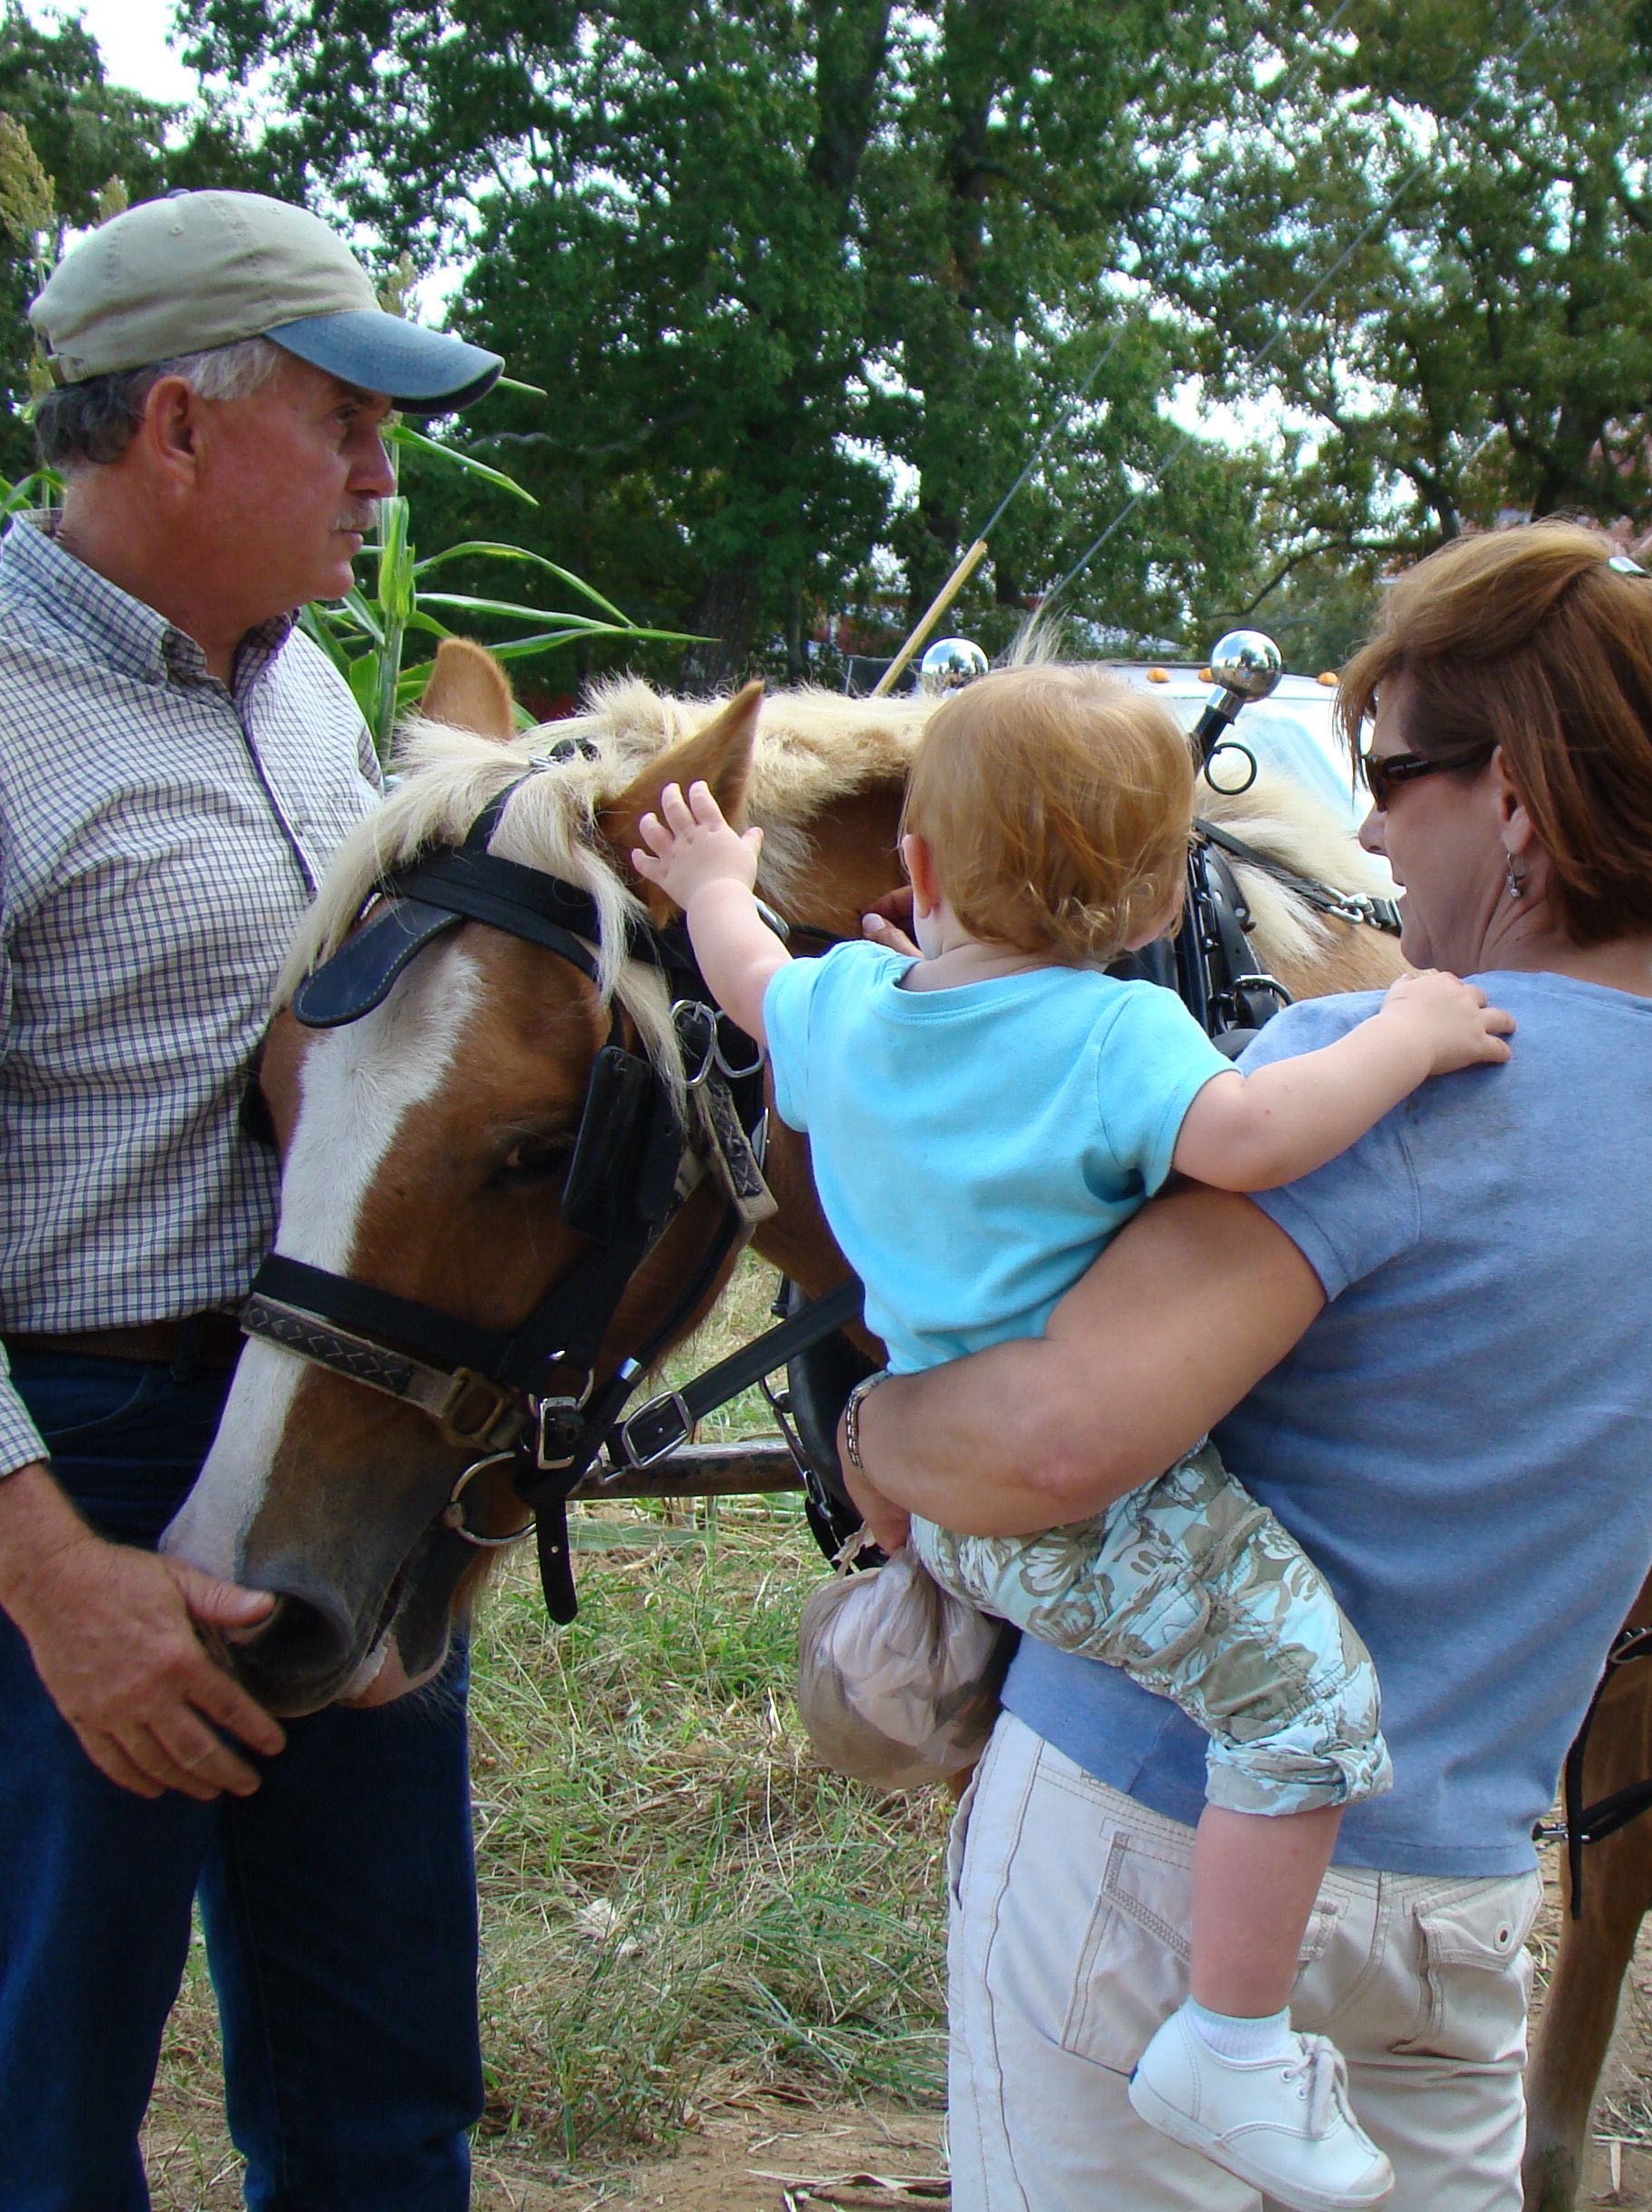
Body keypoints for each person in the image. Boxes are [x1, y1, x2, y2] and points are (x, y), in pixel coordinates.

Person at [840, 525, 1652, 2212]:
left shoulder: (1380, 1070)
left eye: (1393, 773)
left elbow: (1056, 1442)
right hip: (1459, 1902)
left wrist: (875, 1420)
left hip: (1146, 1871)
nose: (1361, 826)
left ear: (1515, 801)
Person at [0, 192, 502, 2209]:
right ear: (179, 432)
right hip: (81, 1451)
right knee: (46, 2114)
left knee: (384, 2084)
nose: (383, 474)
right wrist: (54, 1586)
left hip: (328, 1425)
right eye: (347, 421)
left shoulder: (301, 700)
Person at [630, 662, 1516, 2211]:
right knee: (1305, 1706)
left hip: (935, 1480)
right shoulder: (1119, 1034)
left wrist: (711, 875)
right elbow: (1252, 1136)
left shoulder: (845, 1007)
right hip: (1092, 1505)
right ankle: (1229, 2040)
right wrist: (1406, 1031)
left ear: (911, 871)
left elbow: (745, 971)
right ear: (1154, 892)